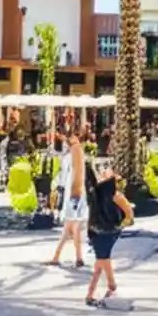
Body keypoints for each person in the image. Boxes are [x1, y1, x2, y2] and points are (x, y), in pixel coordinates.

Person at [85, 167, 133, 307]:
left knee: (101, 262)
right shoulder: (96, 194)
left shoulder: (115, 196)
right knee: (103, 261)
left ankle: (91, 293)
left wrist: (118, 227)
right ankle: (111, 286)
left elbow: (129, 215)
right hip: (99, 232)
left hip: (105, 232)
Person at [48, 131, 87, 268]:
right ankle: (65, 256)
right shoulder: (79, 155)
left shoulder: (71, 156)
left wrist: (57, 186)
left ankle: (72, 257)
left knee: (72, 225)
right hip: (78, 193)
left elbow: (64, 178)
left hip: (73, 193)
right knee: (71, 226)